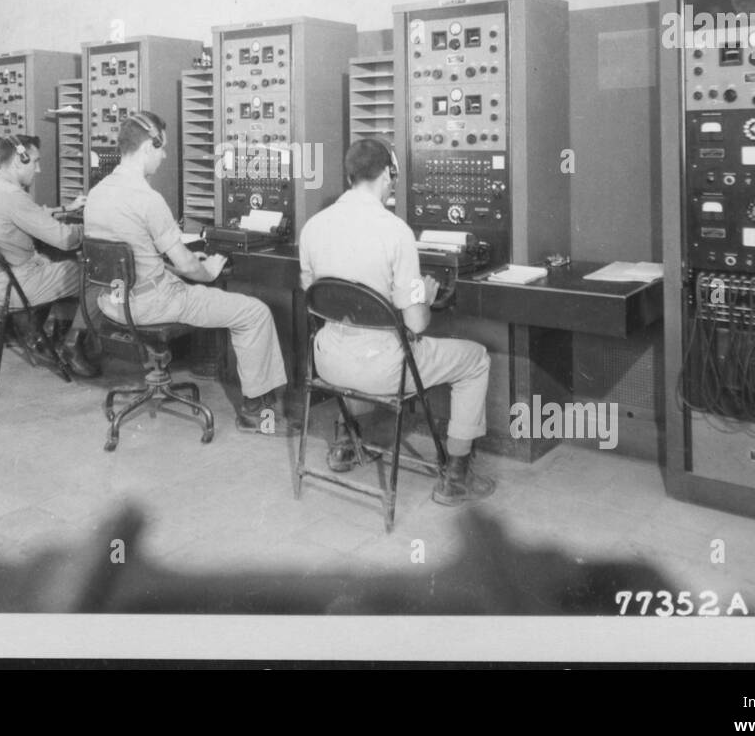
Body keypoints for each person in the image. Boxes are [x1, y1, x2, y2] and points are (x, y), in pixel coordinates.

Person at [297, 138, 495, 505]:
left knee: (355, 343)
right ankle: (456, 473)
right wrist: (427, 296)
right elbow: (417, 324)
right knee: (476, 359)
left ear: (349, 174)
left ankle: (345, 442)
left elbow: (315, 294)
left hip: (326, 364)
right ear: (389, 174)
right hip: (382, 371)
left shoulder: (312, 227)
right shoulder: (396, 232)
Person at [83, 111, 294, 435]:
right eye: (162, 148)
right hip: (153, 303)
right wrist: (207, 271)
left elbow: (125, 257)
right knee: (255, 312)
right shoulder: (147, 199)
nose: (165, 156)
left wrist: (165, 263)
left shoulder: (96, 194)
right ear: (147, 148)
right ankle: (256, 414)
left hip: (111, 303)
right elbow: (187, 267)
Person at [0, 133, 99, 378]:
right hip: (19, 287)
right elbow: (66, 239)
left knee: (59, 263)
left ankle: (42, 336)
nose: (38, 170)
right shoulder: (14, 196)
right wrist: (95, 224)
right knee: (94, 276)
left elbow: (27, 216)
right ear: (20, 159)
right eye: (35, 162)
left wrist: (63, 210)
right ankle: (72, 344)